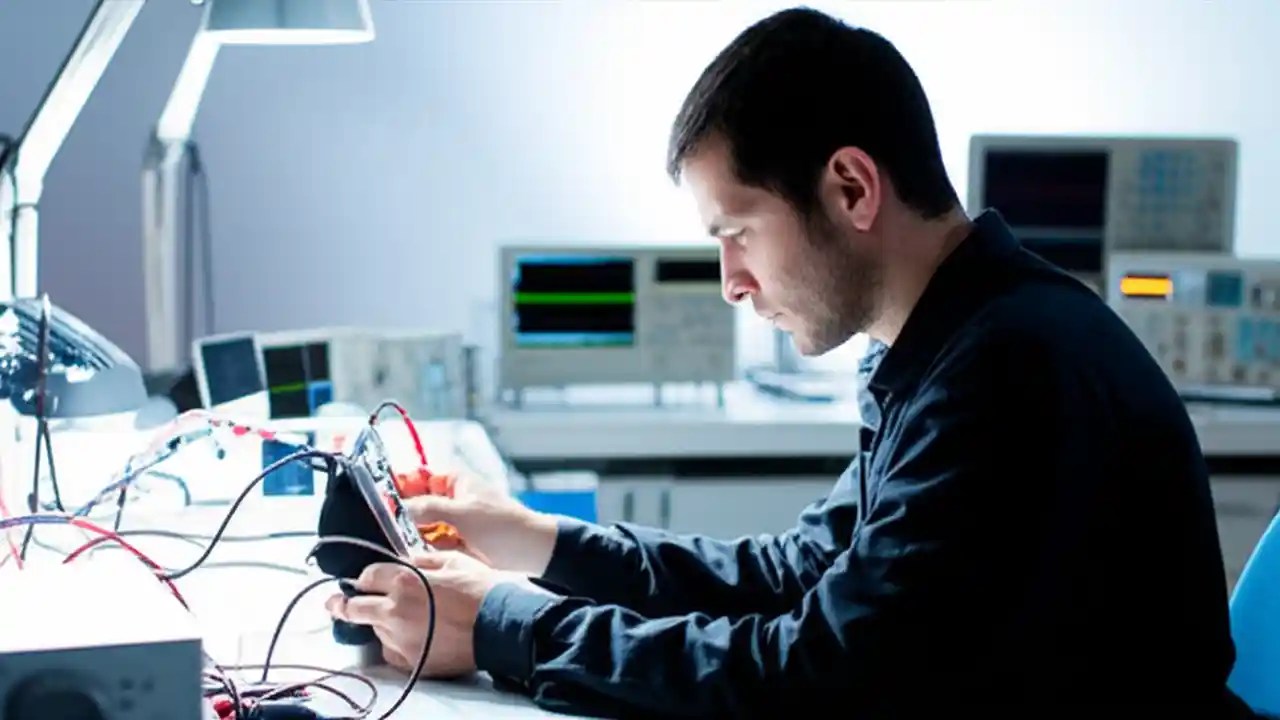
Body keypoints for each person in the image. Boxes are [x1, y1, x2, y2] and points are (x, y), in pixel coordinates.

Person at [326, 7, 1252, 716]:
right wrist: (539, 541)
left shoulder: (1008, 372)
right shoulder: (951, 344)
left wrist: (503, 627)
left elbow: (820, 678)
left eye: (736, 233)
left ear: (851, 187)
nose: (730, 281)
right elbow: (794, 573)